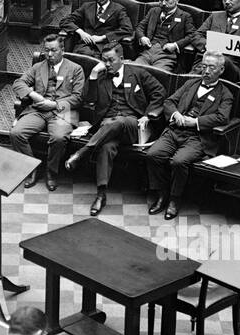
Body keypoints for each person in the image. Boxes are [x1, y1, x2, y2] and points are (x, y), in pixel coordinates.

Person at [65, 41, 165, 216]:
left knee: (120, 120)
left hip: (132, 126)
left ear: (122, 58)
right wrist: (94, 75)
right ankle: (101, 194)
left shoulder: (138, 73)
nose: (108, 65)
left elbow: (160, 93)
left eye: (111, 60)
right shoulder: (102, 76)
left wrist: (148, 115)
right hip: (107, 128)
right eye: (104, 61)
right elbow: (89, 100)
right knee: (106, 147)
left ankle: (83, 152)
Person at [145, 52, 232, 220]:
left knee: (179, 161)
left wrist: (196, 122)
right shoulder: (190, 84)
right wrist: (176, 114)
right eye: (203, 66)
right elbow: (169, 102)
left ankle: (174, 199)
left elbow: (223, 117)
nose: (206, 71)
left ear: (221, 70)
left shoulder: (225, 93)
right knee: (153, 155)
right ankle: (162, 193)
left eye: (211, 67)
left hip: (198, 138)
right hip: (174, 131)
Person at [10, 33, 84, 191]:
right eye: (47, 50)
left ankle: (51, 172)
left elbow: (78, 98)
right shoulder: (38, 67)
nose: (49, 55)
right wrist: (33, 95)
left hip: (61, 112)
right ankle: (32, 167)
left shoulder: (75, 69)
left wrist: (54, 104)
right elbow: (18, 83)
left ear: (62, 50)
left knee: (58, 138)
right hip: (38, 110)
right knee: (16, 133)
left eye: (54, 50)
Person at [63, 0, 132, 57]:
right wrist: (81, 32)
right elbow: (65, 21)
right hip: (83, 48)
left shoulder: (118, 9)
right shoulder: (86, 7)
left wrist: (103, 38)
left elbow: (127, 29)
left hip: (105, 50)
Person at [135, 0, 196, 71]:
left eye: (167, 0)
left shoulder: (185, 16)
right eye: (161, 0)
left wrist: (175, 45)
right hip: (147, 52)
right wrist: (142, 37)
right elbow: (139, 27)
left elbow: (192, 35)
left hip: (167, 56)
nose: (163, 3)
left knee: (157, 75)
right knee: (134, 71)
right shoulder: (153, 11)